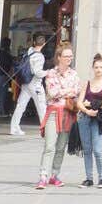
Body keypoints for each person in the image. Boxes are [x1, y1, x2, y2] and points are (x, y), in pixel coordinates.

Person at [36, 45, 81, 190]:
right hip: (53, 112)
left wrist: (64, 91)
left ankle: (54, 175)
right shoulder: (51, 73)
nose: (69, 58)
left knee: (61, 147)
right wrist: (68, 91)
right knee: (49, 146)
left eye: (71, 56)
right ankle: (43, 176)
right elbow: (52, 92)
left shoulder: (74, 74)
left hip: (68, 113)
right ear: (59, 57)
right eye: (66, 56)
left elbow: (78, 90)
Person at [78, 53, 102, 188]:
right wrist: (86, 109)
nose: (98, 70)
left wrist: (88, 103)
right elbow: (79, 103)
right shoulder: (87, 83)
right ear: (93, 68)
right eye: (96, 67)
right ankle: (89, 178)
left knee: (97, 150)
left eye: (101, 67)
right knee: (87, 149)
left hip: (98, 119)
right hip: (85, 118)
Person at [9, 33, 47, 137]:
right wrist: (48, 72)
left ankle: (14, 128)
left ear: (34, 42)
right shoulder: (40, 57)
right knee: (42, 107)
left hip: (26, 83)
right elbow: (37, 72)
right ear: (44, 44)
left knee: (20, 106)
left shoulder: (29, 52)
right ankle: (45, 130)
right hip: (36, 85)